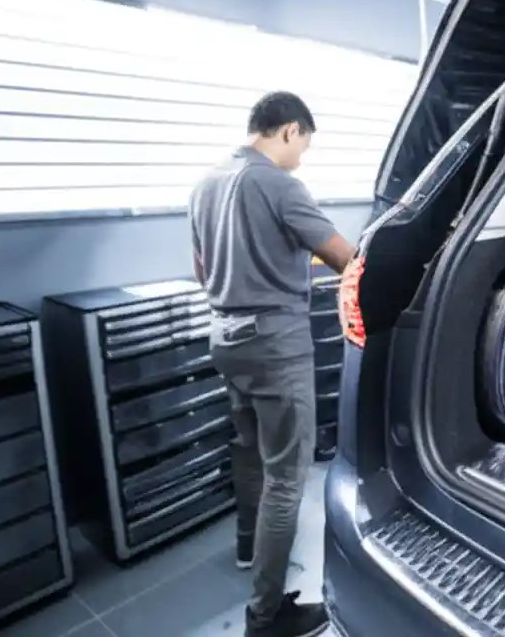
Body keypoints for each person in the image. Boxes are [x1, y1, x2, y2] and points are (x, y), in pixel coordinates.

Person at [188, 91, 353, 637]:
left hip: (224, 337)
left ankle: (247, 549)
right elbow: (343, 258)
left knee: (249, 451)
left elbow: (202, 268)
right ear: (289, 131)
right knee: (288, 476)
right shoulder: (280, 184)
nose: (302, 157)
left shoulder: (206, 183)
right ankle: (267, 616)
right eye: (303, 145)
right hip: (275, 343)